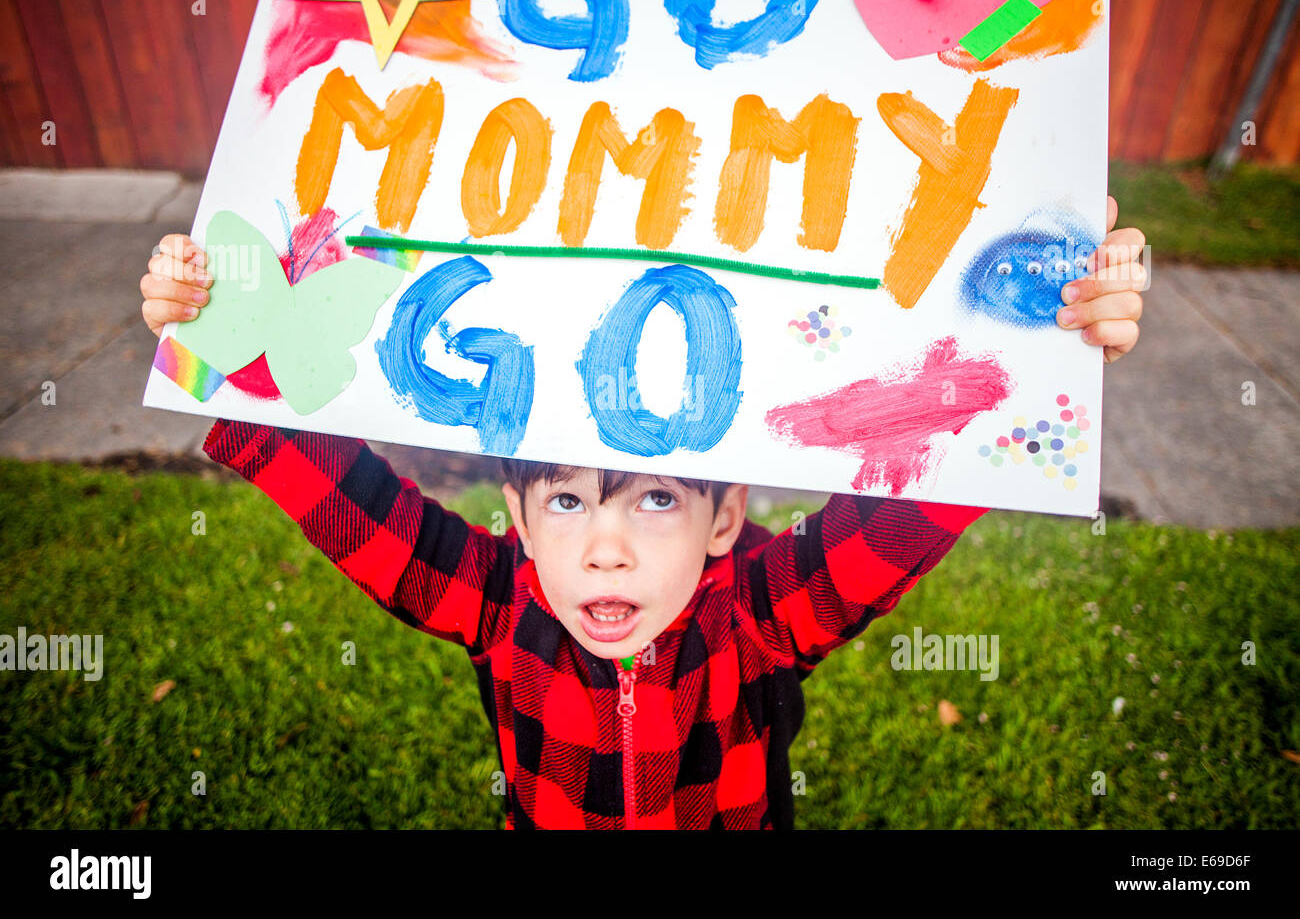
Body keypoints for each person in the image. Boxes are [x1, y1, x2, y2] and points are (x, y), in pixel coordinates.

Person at [139, 198, 1146, 828]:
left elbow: (913, 504)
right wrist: (217, 330)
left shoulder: (759, 610)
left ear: (723, 517)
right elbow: (355, 505)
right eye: (567, 499)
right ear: (519, 518)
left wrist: (1047, 342)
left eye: (656, 498)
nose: (605, 547)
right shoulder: (498, 602)